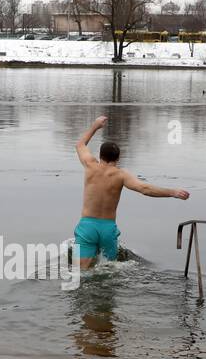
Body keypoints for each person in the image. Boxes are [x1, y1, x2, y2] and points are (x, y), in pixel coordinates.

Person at [72, 116, 189, 270]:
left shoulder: (90, 165)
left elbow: (80, 144)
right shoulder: (121, 175)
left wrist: (95, 126)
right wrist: (173, 192)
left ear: (100, 156)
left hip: (87, 226)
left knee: (81, 271)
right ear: (118, 158)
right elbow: (145, 189)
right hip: (107, 228)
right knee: (109, 268)